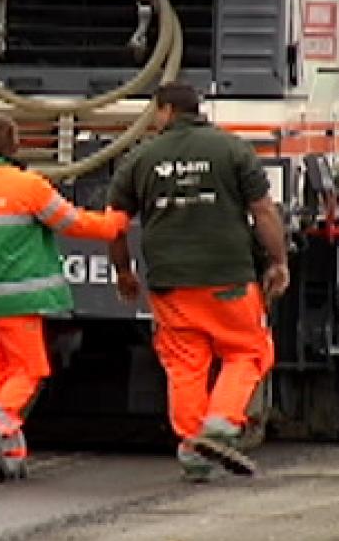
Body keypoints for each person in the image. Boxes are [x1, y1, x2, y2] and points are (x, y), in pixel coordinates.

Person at [0, 113, 129, 481]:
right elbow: (74, 223)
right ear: (15, 147)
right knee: (29, 371)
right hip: (20, 304)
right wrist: (114, 224)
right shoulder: (29, 187)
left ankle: (9, 451)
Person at [106, 82, 289, 483]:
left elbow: (114, 225)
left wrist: (123, 271)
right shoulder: (233, 150)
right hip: (229, 280)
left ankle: (193, 450)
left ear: (167, 111)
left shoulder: (140, 158)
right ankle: (220, 425)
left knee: (186, 362)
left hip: (170, 282)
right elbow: (263, 211)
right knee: (248, 352)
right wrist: (278, 261)